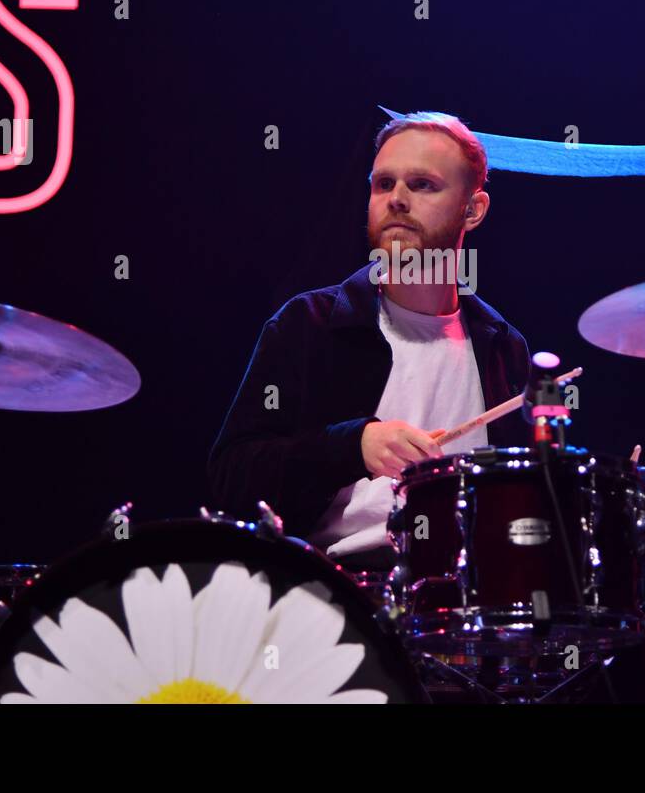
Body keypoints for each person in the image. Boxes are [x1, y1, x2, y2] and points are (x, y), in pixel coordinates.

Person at [207, 111, 530, 568]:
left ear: (473, 210)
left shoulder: (503, 347)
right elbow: (231, 480)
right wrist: (351, 446)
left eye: (422, 185)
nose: (396, 199)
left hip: (465, 601)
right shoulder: (309, 325)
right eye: (383, 184)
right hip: (335, 593)